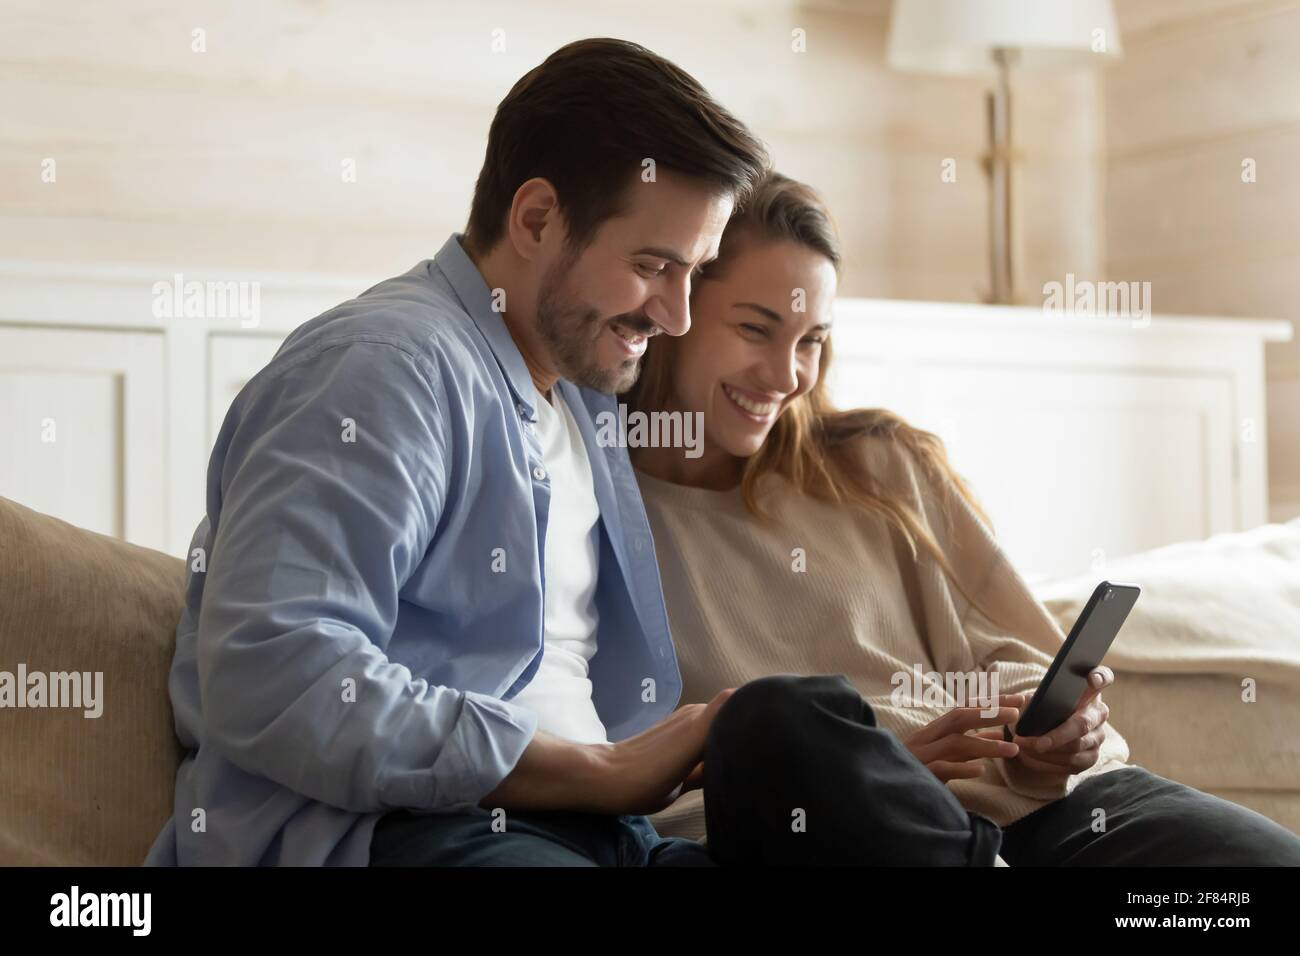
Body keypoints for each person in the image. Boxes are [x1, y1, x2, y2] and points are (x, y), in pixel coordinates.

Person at [144, 37, 770, 866]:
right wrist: (594, 770)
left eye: (693, 271)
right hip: (395, 834)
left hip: (599, 836)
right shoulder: (382, 370)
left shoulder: (578, 391)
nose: (679, 315)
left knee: (812, 741)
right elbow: (275, 671)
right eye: (655, 266)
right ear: (538, 218)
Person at [627, 171, 1300, 865]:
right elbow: (656, 773)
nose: (786, 374)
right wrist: (880, 774)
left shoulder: (877, 465)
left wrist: (1058, 736)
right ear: (675, 309)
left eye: (810, 341)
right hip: (852, 837)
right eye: (754, 328)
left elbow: (1018, 657)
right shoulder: (604, 517)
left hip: (1048, 808)